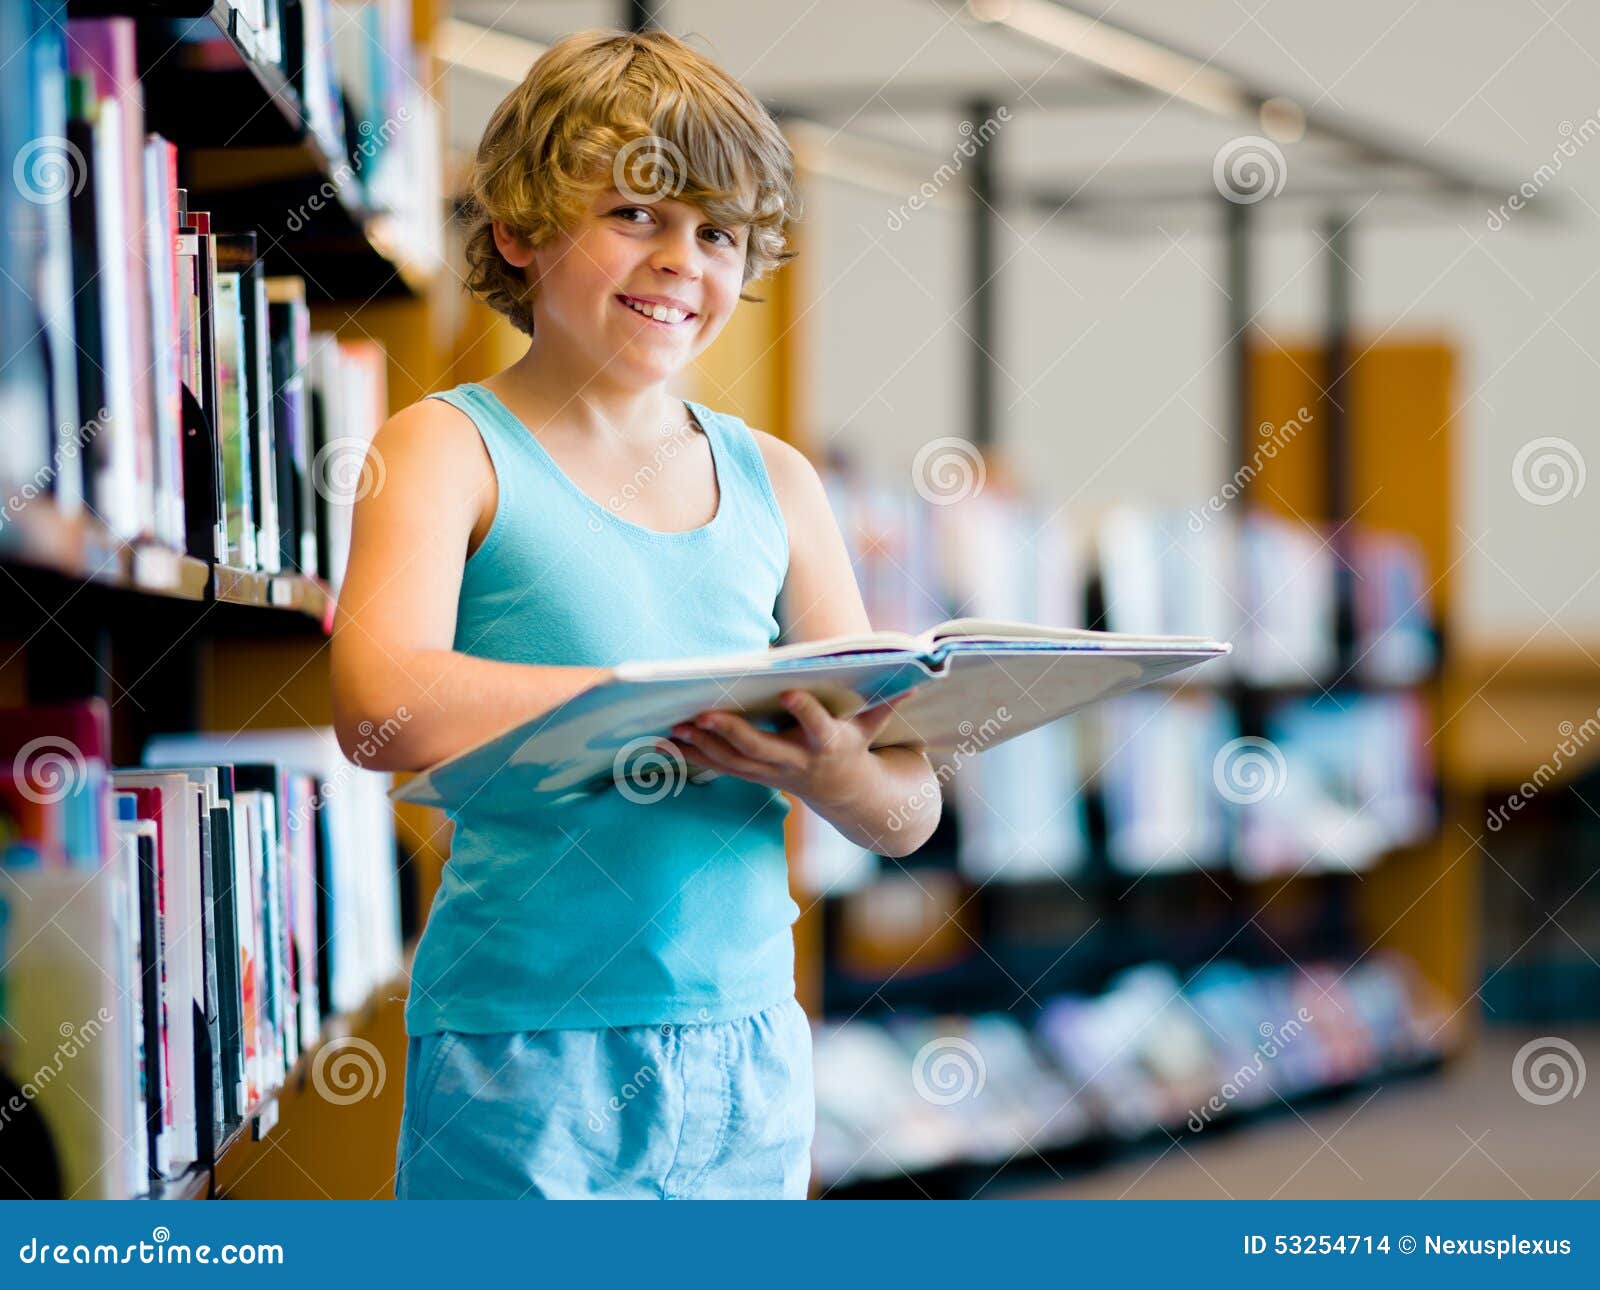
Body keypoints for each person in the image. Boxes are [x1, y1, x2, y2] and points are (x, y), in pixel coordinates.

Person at [329, 27, 942, 1199]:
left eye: (718, 234)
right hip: (524, 1042)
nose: (681, 261)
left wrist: (826, 772)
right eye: (636, 215)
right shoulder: (443, 449)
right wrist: (659, 696)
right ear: (518, 230)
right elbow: (379, 710)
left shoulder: (779, 482)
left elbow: (904, 808)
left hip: (750, 1043)